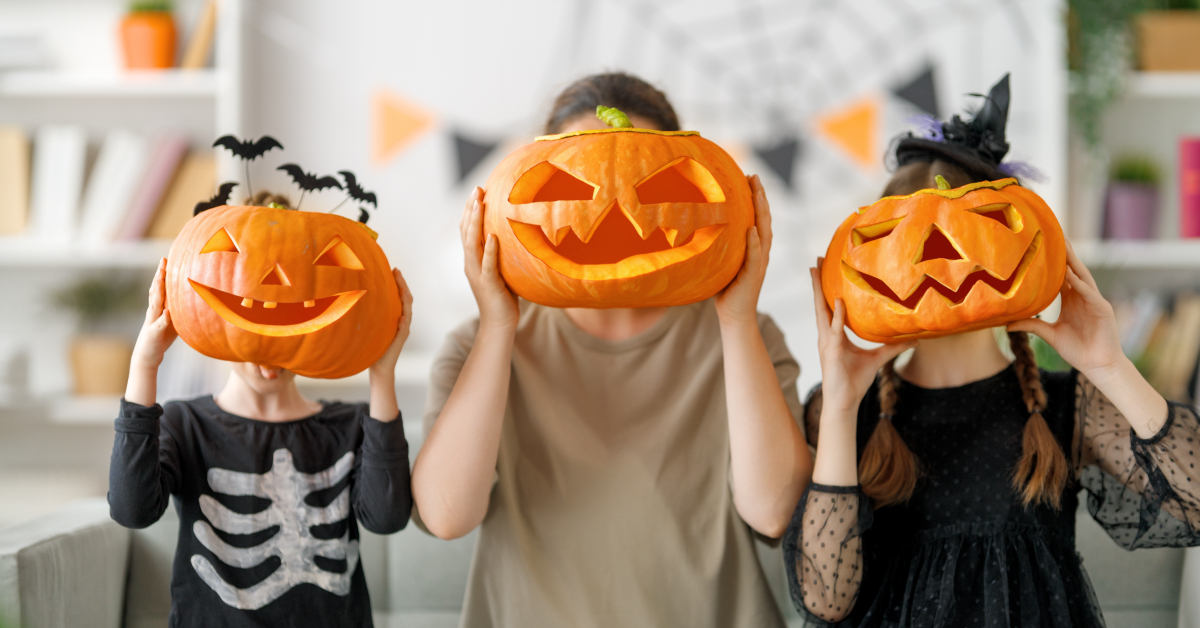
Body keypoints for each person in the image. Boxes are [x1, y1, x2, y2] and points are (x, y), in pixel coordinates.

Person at [785, 75, 1200, 627]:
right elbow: (824, 598)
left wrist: (1109, 365)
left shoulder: (1062, 406)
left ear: (1012, 241)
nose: (933, 258)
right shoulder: (844, 414)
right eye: (895, 241)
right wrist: (838, 408)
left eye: (972, 228)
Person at [410, 72, 812, 628]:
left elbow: (773, 513)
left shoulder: (749, 336)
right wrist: (499, 325)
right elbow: (447, 515)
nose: (615, 208)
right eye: (571, 186)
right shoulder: (474, 347)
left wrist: (737, 316)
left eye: (651, 185)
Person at [108, 193, 415, 627]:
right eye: (252, 320)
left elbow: (386, 519)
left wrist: (382, 372)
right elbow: (130, 509)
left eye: (285, 330)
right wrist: (145, 363)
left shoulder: (351, 426)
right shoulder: (185, 424)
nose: (269, 351)